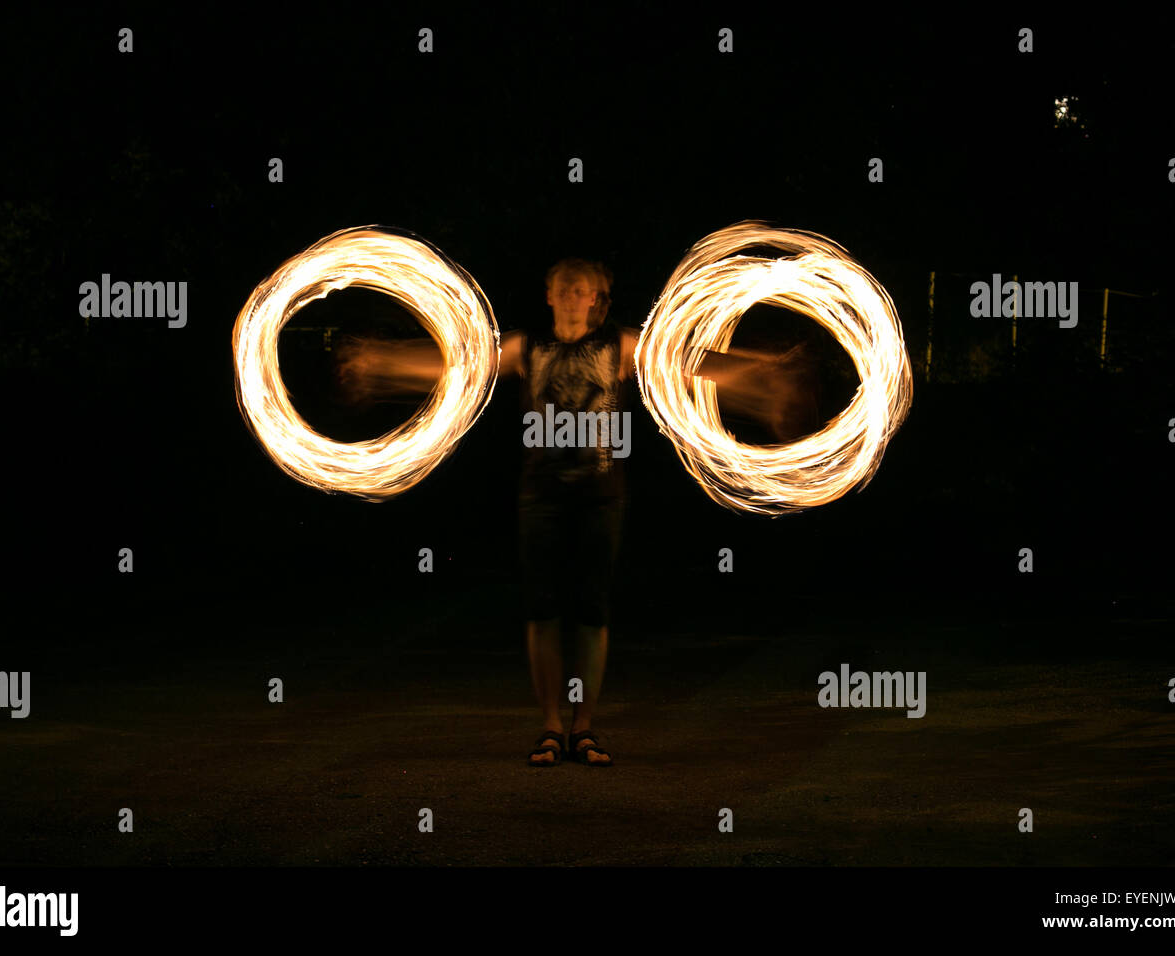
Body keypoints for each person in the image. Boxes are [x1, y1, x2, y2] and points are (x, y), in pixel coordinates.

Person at [335, 257, 816, 767]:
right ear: (549, 295)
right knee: (542, 611)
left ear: (596, 298)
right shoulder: (524, 348)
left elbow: (691, 364)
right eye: (561, 288)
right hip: (539, 495)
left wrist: (761, 373)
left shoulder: (623, 346)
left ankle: (583, 729)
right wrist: (383, 362)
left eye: (579, 289)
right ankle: (549, 727)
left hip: (601, 495)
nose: (569, 296)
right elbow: (457, 363)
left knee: (591, 612)